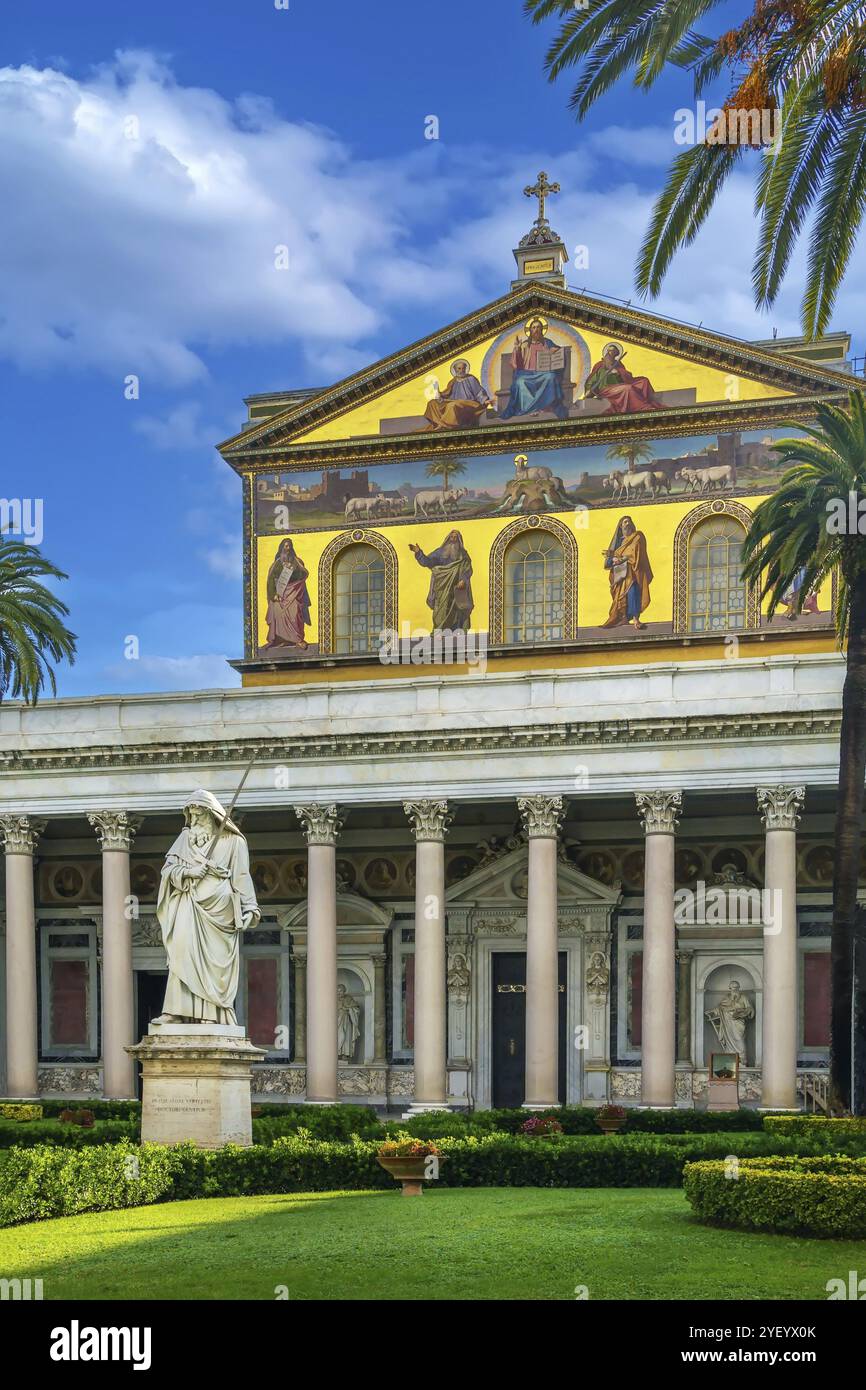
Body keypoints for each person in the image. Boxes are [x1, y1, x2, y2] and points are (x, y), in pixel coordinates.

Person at [153, 790, 260, 1025]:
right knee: (181, 954)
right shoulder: (184, 840)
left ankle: (212, 1014)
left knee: (213, 964)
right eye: (191, 815)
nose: (194, 820)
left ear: (212, 814)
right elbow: (168, 872)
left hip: (219, 912)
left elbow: (242, 877)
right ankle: (175, 1012)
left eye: (198, 814)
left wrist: (250, 906)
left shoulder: (234, 842)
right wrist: (190, 871)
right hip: (187, 904)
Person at [501, 318, 568, 419]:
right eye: (533, 327)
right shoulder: (524, 345)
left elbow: (558, 351)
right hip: (527, 374)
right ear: (530, 330)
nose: (536, 330)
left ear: (542, 330)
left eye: (538, 327)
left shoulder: (547, 343)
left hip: (543, 373)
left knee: (551, 376)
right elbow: (517, 365)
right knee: (520, 382)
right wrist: (517, 349)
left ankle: (545, 407)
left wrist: (554, 351)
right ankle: (529, 409)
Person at [409, 530, 474, 630]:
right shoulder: (439, 552)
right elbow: (428, 562)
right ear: (448, 539)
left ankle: (457, 631)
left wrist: (463, 580)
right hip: (442, 587)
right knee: (440, 610)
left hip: (457, 587)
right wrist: (418, 553)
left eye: (455, 537)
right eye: (451, 537)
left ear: (459, 540)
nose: (453, 539)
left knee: (457, 610)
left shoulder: (463, 554)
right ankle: (439, 630)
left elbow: (467, 568)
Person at [584, 343, 667, 414]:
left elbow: (627, 376)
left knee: (643, 381)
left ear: (616, 353)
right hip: (606, 389)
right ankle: (642, 408)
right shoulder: (600, 365)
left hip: (620, 385)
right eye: (609, 351)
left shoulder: (618, 364)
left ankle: (648, 402)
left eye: (613, 351)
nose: (610, 353)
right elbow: (591, 380)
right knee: (627, 388)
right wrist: (588, 390)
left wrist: (618, 372)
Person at [601, 516, 653, 629]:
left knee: (633, 591)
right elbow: (609, 562)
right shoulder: (619, 541)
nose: (627, 523)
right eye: (625, 522)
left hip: (633, 571)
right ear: (621, 526)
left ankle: (635, 619)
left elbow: (637, 553)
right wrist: (613, 558)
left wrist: (624, 558)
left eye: (629, 521)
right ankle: (623, 618)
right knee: (620, 597)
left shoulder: (637, 537)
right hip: (619, 574)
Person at [265, 538, 310, 649]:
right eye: (285, 546)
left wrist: (293, 570)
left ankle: (297, 639)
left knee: (295, 613)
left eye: (289, 546)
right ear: (281, 548)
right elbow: (271, 580)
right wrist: (273, 595)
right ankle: (280, 639)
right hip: (280, 595)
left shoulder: (297, 562)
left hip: (294, 593)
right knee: (277, 610)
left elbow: (303, 574)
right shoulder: (276, 564)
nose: (288, 548)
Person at [424, 359, 492, 430]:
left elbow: (479, 392)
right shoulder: (453, 381)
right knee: (432, 403)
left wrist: (484, 400)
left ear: (466, 369)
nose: (461, 370)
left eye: (463, 368)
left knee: (452, 405)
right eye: (459, 368)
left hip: (469, 403)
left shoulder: (471, 379)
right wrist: (437, 391)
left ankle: (444, 425)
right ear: (455, 370)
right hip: (454, 401)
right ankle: (438, 423)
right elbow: (446, 394)